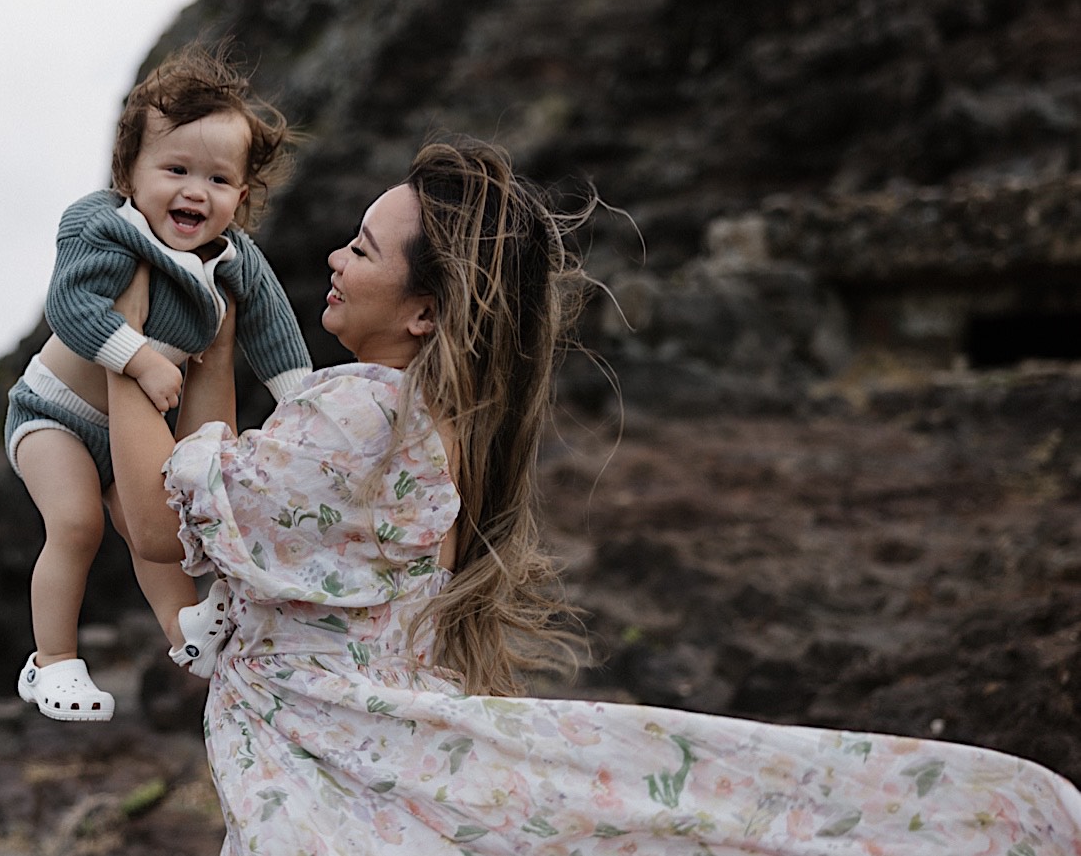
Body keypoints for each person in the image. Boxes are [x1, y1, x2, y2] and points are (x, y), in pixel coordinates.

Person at [104, 136, 1081, 852]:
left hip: (339, 789)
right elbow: (208, 479)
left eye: (363, 247)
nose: (335, 257)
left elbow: (157, 520)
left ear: (423, 311)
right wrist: (214, 336)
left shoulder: (360, 420)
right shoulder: (416, 426)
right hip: (359, 772)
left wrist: (117, 326)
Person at [6, 44, 312, 721]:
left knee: (152, 526)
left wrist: (302, 404)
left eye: (219, 178)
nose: (195, 192)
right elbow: (73, 305)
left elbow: (273, 331)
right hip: (53, 414)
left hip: (122, 430)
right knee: (79, 523)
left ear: (242, 192)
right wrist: (139, 356)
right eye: (175, 169)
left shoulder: (235, 259)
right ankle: (51, 660)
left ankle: (186, 630)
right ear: (130, 173)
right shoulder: (103, 225)